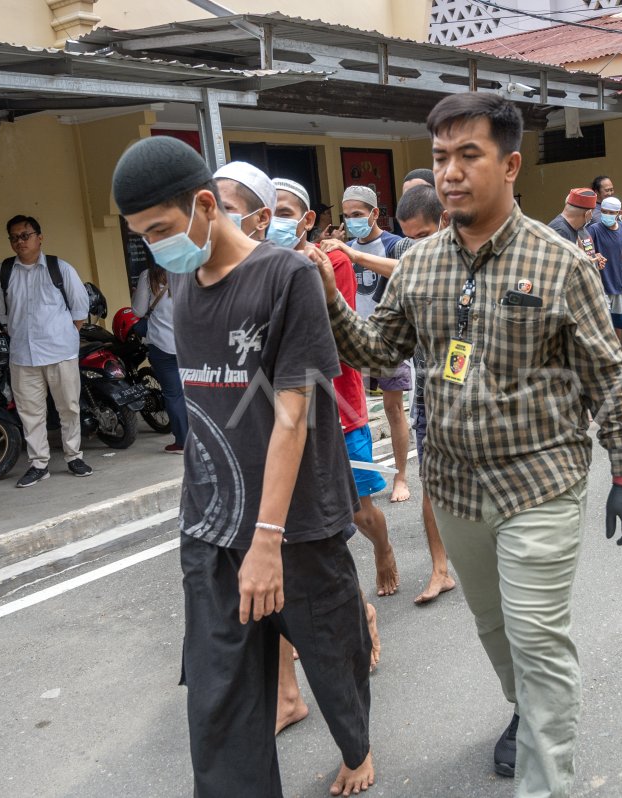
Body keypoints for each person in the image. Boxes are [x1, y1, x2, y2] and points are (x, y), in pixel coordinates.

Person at [316, 92, 622, 797]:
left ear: (510, 164)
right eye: (441, 157)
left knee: (536, 639)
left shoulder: (561, 263)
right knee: (497, 633)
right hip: (458, 491)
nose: (451, 173)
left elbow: (606, 374)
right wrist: (331, 300)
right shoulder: (417, 265)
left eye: (469, 155)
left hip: (540, 484)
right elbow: (383, 349)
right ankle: (524, 709)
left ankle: (545, 776)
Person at [111, 135, 374, 798]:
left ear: (206, 205)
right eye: (143, 236)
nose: (157, 247)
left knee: (334, 660)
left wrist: (267, 540)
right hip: (209, 523)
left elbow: (290, 414)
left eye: (163, 229)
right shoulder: (181, 279)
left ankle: (356, 747)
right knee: (218, 700)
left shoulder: (286, 277)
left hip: (297, 526)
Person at [268, 177, 384, 742]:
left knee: (342, 533)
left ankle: (365, 607)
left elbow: (336, 339)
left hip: (330, 415)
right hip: (272, 427)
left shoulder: (323, 264)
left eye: (284, 212)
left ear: (307, 217)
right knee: (280, 556)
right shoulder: (250, 265)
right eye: (266, 212)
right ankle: (288, 693)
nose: (272, 221)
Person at [377, 183, 458, 605]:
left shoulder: (472, 256)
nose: (413, 247)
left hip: (479, 396)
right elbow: (385, 331)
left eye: (422, 237)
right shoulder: (411, 256)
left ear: (444, 220)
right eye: (407, 238)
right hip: (430, 390)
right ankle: (440, 569)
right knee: (432, 482)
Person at [0, 215, 91, 487]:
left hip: (60, 352)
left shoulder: (60, 268)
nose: (19, 241)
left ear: (39, 237)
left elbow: (80, 310)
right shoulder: (3, 272)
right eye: (14, 237)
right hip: (23, 356)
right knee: (30, 413)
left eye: (25, 235)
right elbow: (3, 315)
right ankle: (39, 464)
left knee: (68, 407)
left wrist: (66, 336)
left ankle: (73, 456)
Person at [330, 185, 412, 503]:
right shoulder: (343, 248)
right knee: (356, 409)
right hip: (352, 341)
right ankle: (363, 476)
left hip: (388, 341)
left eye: (358, 215)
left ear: (375, 213)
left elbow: (408, 274)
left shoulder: (393, 245)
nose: (352, 221)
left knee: (393, 410)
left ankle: (402, 477)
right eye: (347, 216)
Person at [131, 262, 188, 453]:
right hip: (190, 345)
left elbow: (138, 311)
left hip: (162, 346)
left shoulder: (148, 275)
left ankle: (182, 442)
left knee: (174, 395)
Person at [586, 195, 622, 347]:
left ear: (618, 213)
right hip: (601, 284)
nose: (607, 215)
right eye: (604, 211)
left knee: (618, 324)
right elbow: (588, 252)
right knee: (603, 323)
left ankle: (619, 353)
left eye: (611, 212)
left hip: (618, 283)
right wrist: (595, 255)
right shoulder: (593, 229)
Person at [214, 161, 275, 241]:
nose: (212, 214)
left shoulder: (280, 254)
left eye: (225, 208)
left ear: (262, 218)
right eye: (209, 206)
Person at [547, 188, 604, 271]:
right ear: (588, 213)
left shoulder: (573, 228)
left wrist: (588, 261)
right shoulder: (560, 231)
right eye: (592, 213)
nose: (592, 216)